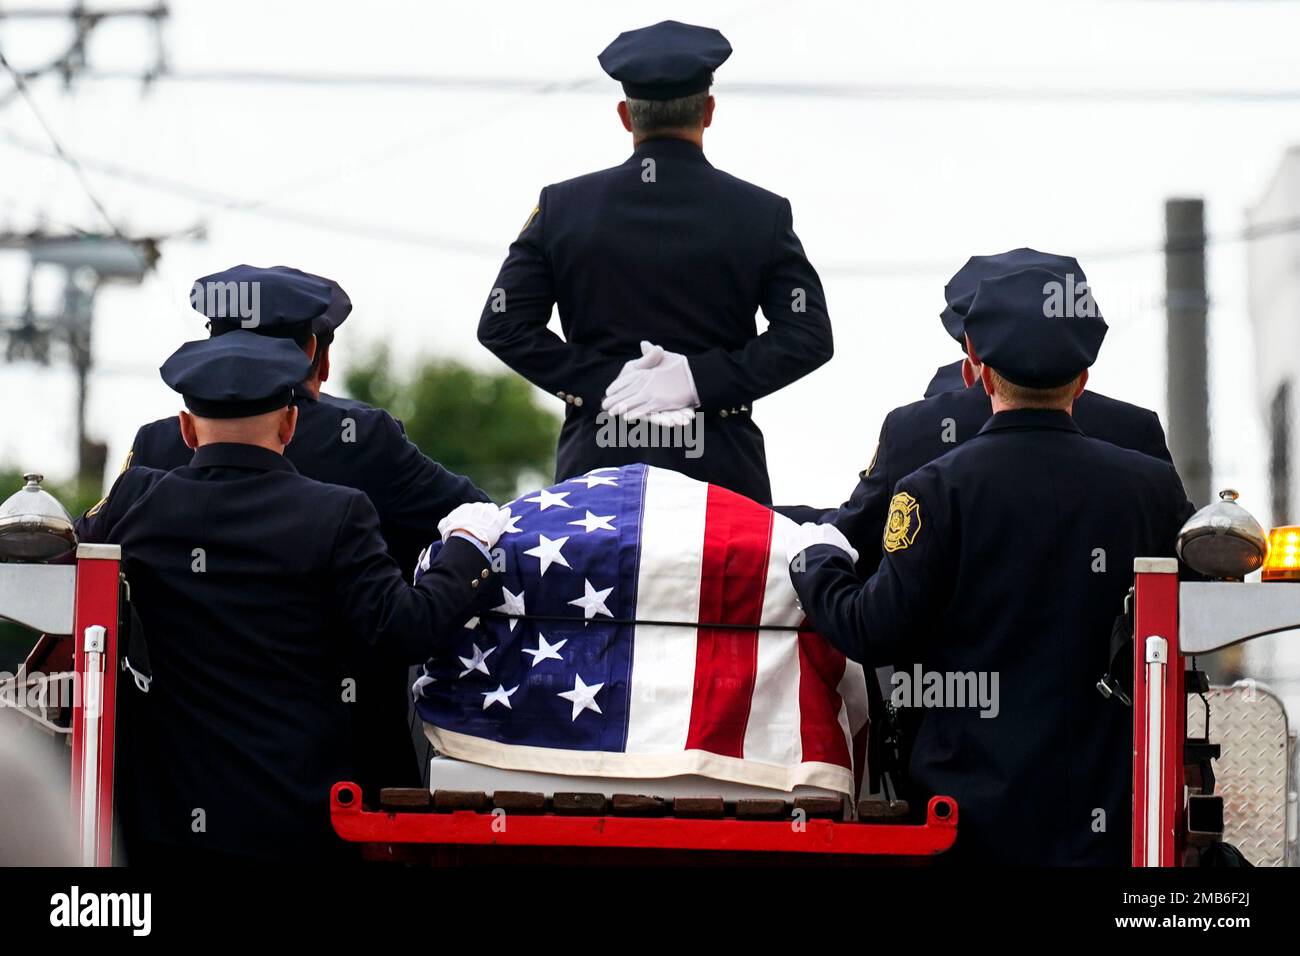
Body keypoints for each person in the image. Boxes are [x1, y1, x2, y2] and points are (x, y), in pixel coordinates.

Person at [786, 267, 1194, 865]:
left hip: (970, 823)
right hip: (1108, 818)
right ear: (1083, 378)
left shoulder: (935, 488)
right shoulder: (1151, 488)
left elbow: (873, 629)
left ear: (973, 362)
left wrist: (817, 558)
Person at [76, 331, 507, 863]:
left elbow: (62, 558)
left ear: (187, 430)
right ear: (290, 422)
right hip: (295, 823)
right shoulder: (337, 513)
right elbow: (405, 627)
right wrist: (466, 548)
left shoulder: (134, 500)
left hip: (161, 827)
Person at [129, 264, 490, 795]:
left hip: (176, 781)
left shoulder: (154, 454)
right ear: (310, 355)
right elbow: (476, 519)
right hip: (340, 779)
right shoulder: (366, 441)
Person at [477, 20, 832, 505]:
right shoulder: (761, 214)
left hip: (596, 476)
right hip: (722, 476)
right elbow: (807, 335)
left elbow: (503, 324)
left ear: (625, 115)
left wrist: (608, 383)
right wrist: (697, 382)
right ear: (708, 111)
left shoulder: (563, 208)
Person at [794, 250, 1173, 573]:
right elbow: (1181, 564)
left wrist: (789, 535)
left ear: (972, 356)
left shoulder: (915, 429)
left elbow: (854, 536)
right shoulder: (1136, 433)